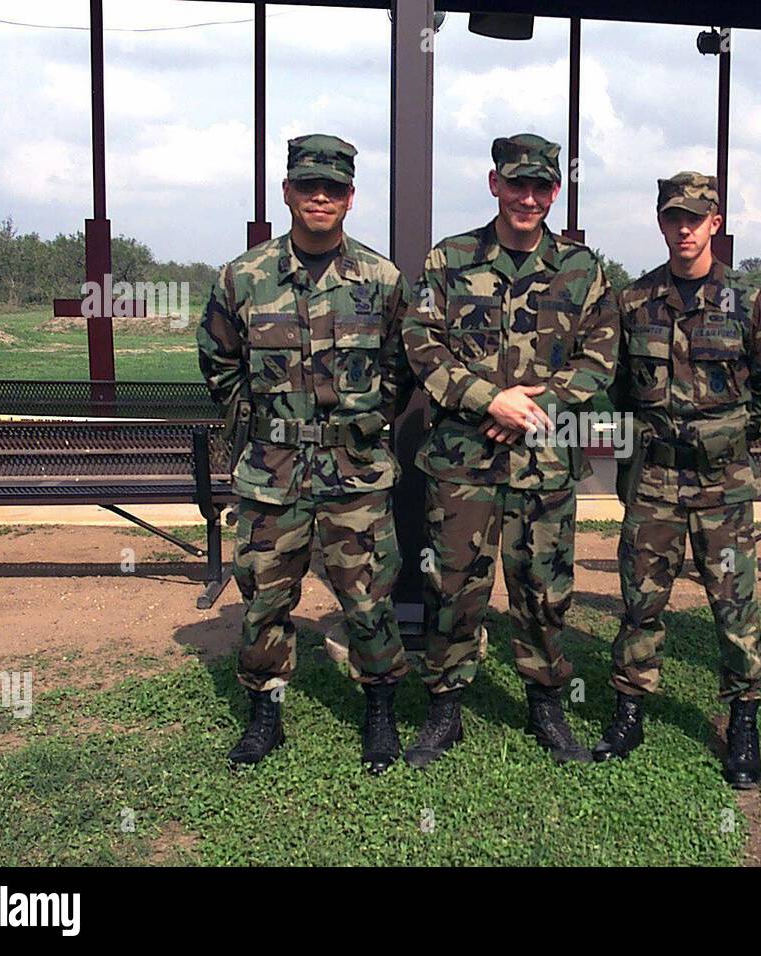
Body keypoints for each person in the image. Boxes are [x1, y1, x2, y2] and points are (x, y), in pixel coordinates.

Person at [401, 133, 619, 767]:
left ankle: (546, 704)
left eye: (541, 187)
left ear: (556, 191)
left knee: (544, 587)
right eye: (516, 184)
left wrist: (536, 407)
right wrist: (483, 399)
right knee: (453, 585)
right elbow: (420, 342)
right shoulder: (450, 259)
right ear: (494, 184)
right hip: (463, 462)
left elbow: (601, 355)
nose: (529, 198)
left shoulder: (582, 269)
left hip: (543, 461)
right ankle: (445, 709)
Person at [198, 134, 414, 772]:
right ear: (287, 191)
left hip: (356, 471)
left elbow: (403, 362)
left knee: (369, 595)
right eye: (308, 186)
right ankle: (265, 712)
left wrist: (374, 419)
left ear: (350, 198)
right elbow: (219, 360)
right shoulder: (245, 276)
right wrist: (259, 429)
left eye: (335, 188)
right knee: (265, 595)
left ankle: (379, 710)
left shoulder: (381, 279)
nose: (321, 197)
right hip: (274, 473)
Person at [593, 172, 761, 788]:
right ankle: (629, 710)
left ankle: (743, 720)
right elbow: (618, 390)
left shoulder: (752, 301)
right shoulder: (633, 303)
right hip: (653, 480)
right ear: (661, 223)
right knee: (641, 601)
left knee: (733, 606)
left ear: (715, 222)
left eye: (695, 218)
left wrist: (727, 436)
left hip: (723, 486)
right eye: (672, 218)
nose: (683, 229)